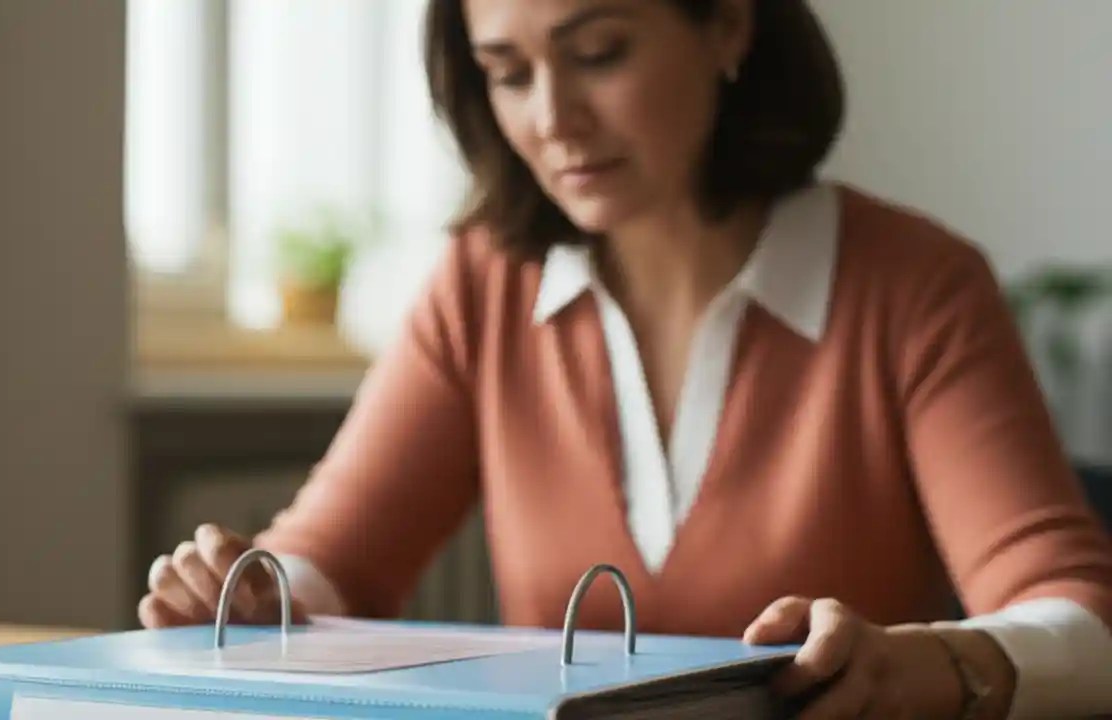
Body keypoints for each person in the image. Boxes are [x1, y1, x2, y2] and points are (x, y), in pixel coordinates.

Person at [139, 0, 1112, 717]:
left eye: (596, 53)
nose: (551, 118)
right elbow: (331, 559)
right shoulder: (480, 286)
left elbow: (1078, 618)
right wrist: (264, 595)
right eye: (507, 74)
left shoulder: (913, 284)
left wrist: (929, 664)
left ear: (728, 28)